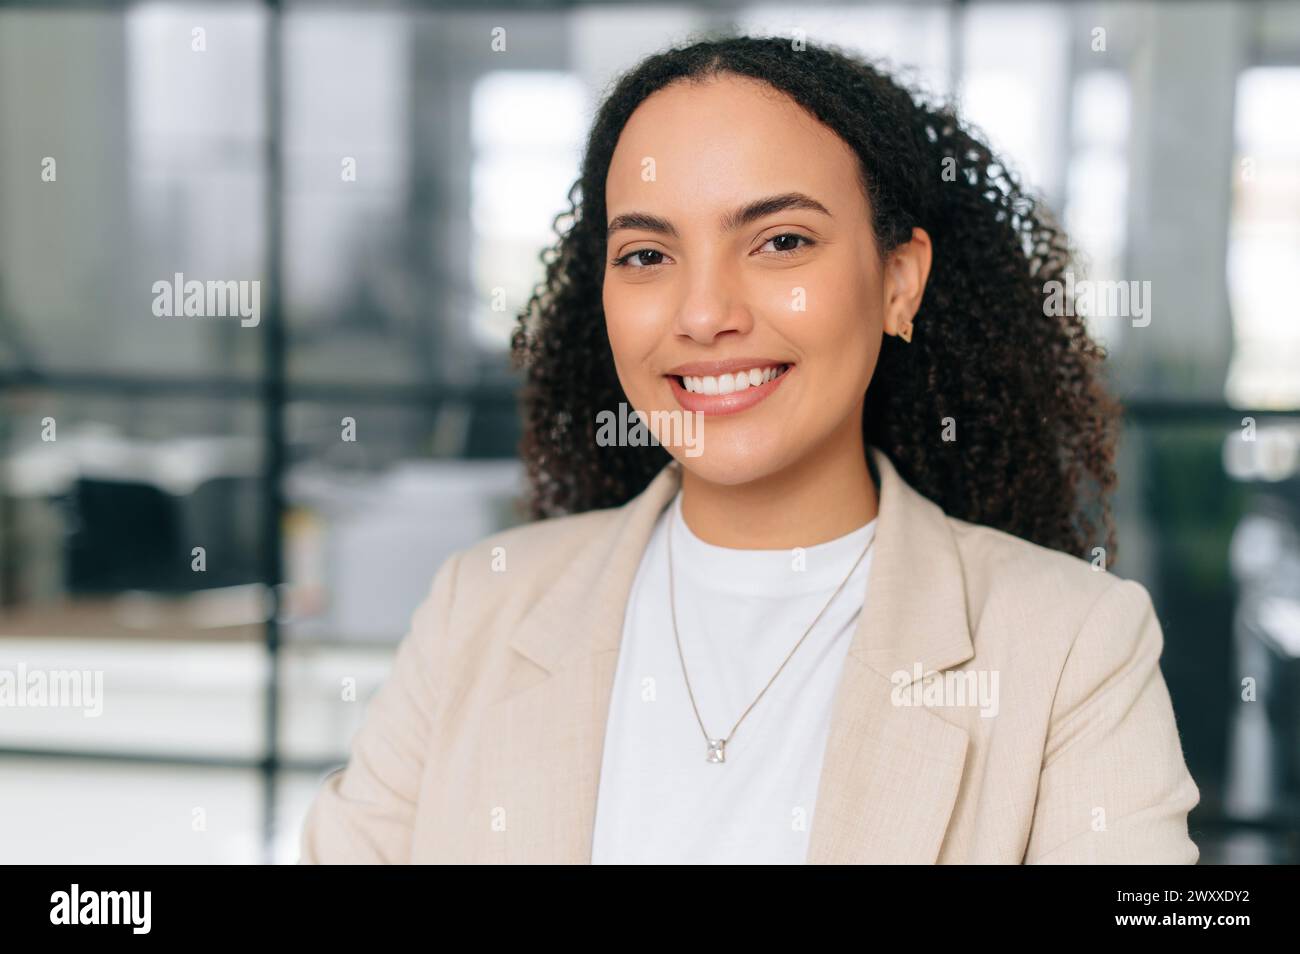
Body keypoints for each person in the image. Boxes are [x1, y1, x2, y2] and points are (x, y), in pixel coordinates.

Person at [299, 35, 1200, 864]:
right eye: (647, 255)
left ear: (898, 282)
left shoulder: (1074, 650)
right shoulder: (478, 608)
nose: (703, 315)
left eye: (780, 241)